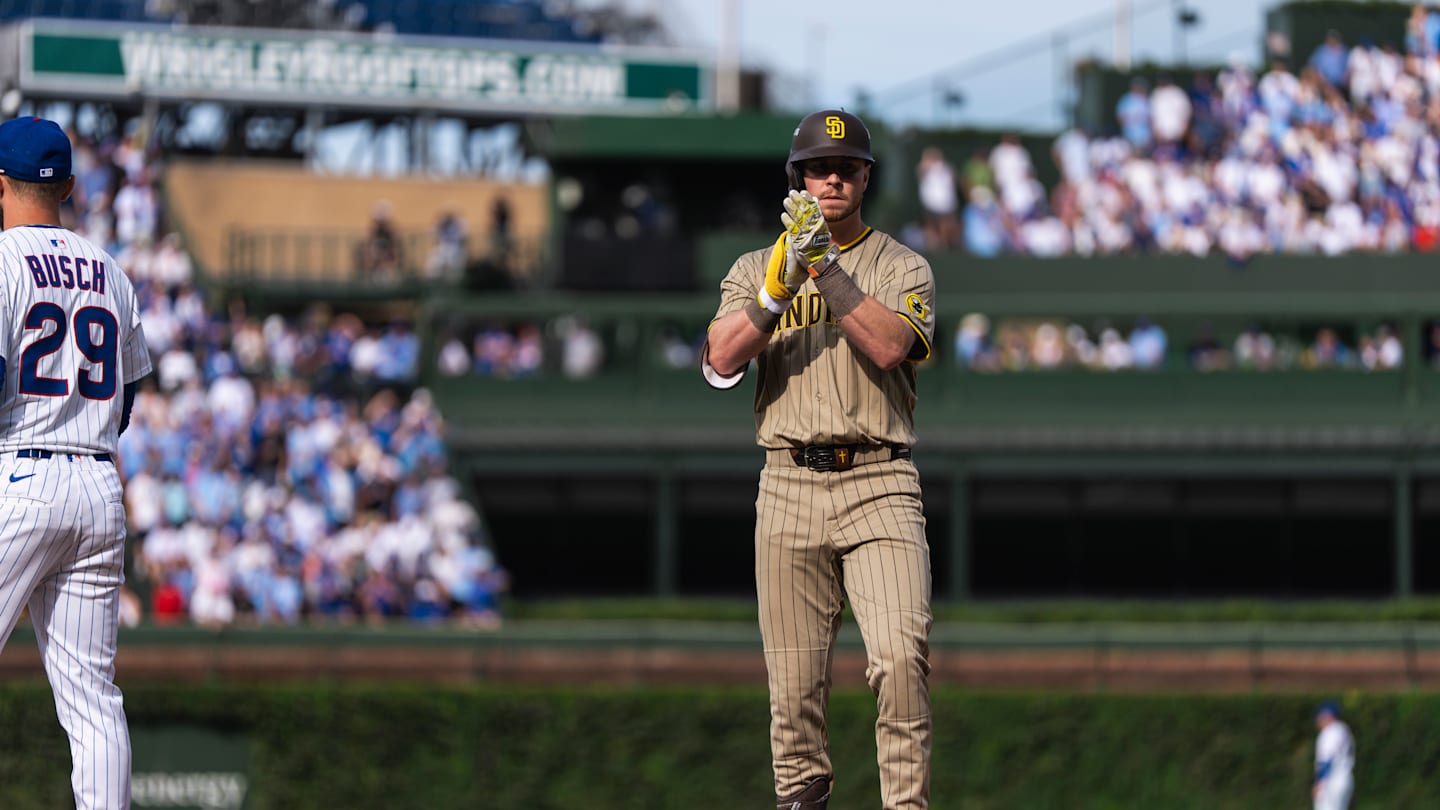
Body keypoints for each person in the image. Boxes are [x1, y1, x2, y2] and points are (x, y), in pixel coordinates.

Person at [701, 109, 936, 810]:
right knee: (794, 687)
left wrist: (827, 269)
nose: (831, 178)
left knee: (899, 658)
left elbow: (893, 346)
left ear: (865, 177)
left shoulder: (900, 263)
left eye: (845, 167)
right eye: (817, 167)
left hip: (880, 479)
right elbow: (718, 358)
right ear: (797, 178)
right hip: (787, 481)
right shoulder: (754, 266)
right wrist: (781, 285)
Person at [0, 116, 152, 809]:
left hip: (20, 474)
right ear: (63, 184)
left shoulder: (1, 263)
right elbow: (127, 397)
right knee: (94, 701)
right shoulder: (110, 272)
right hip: (97, 477)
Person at [1313, 701, 1355, 810]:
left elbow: (1326, 760)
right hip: (1346, 779)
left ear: (1326, 716)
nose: (1318, 721)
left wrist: (1320, 782)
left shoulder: (1329, 732)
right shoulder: (1344, 729)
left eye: (1320, 717)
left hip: (1331, 781)